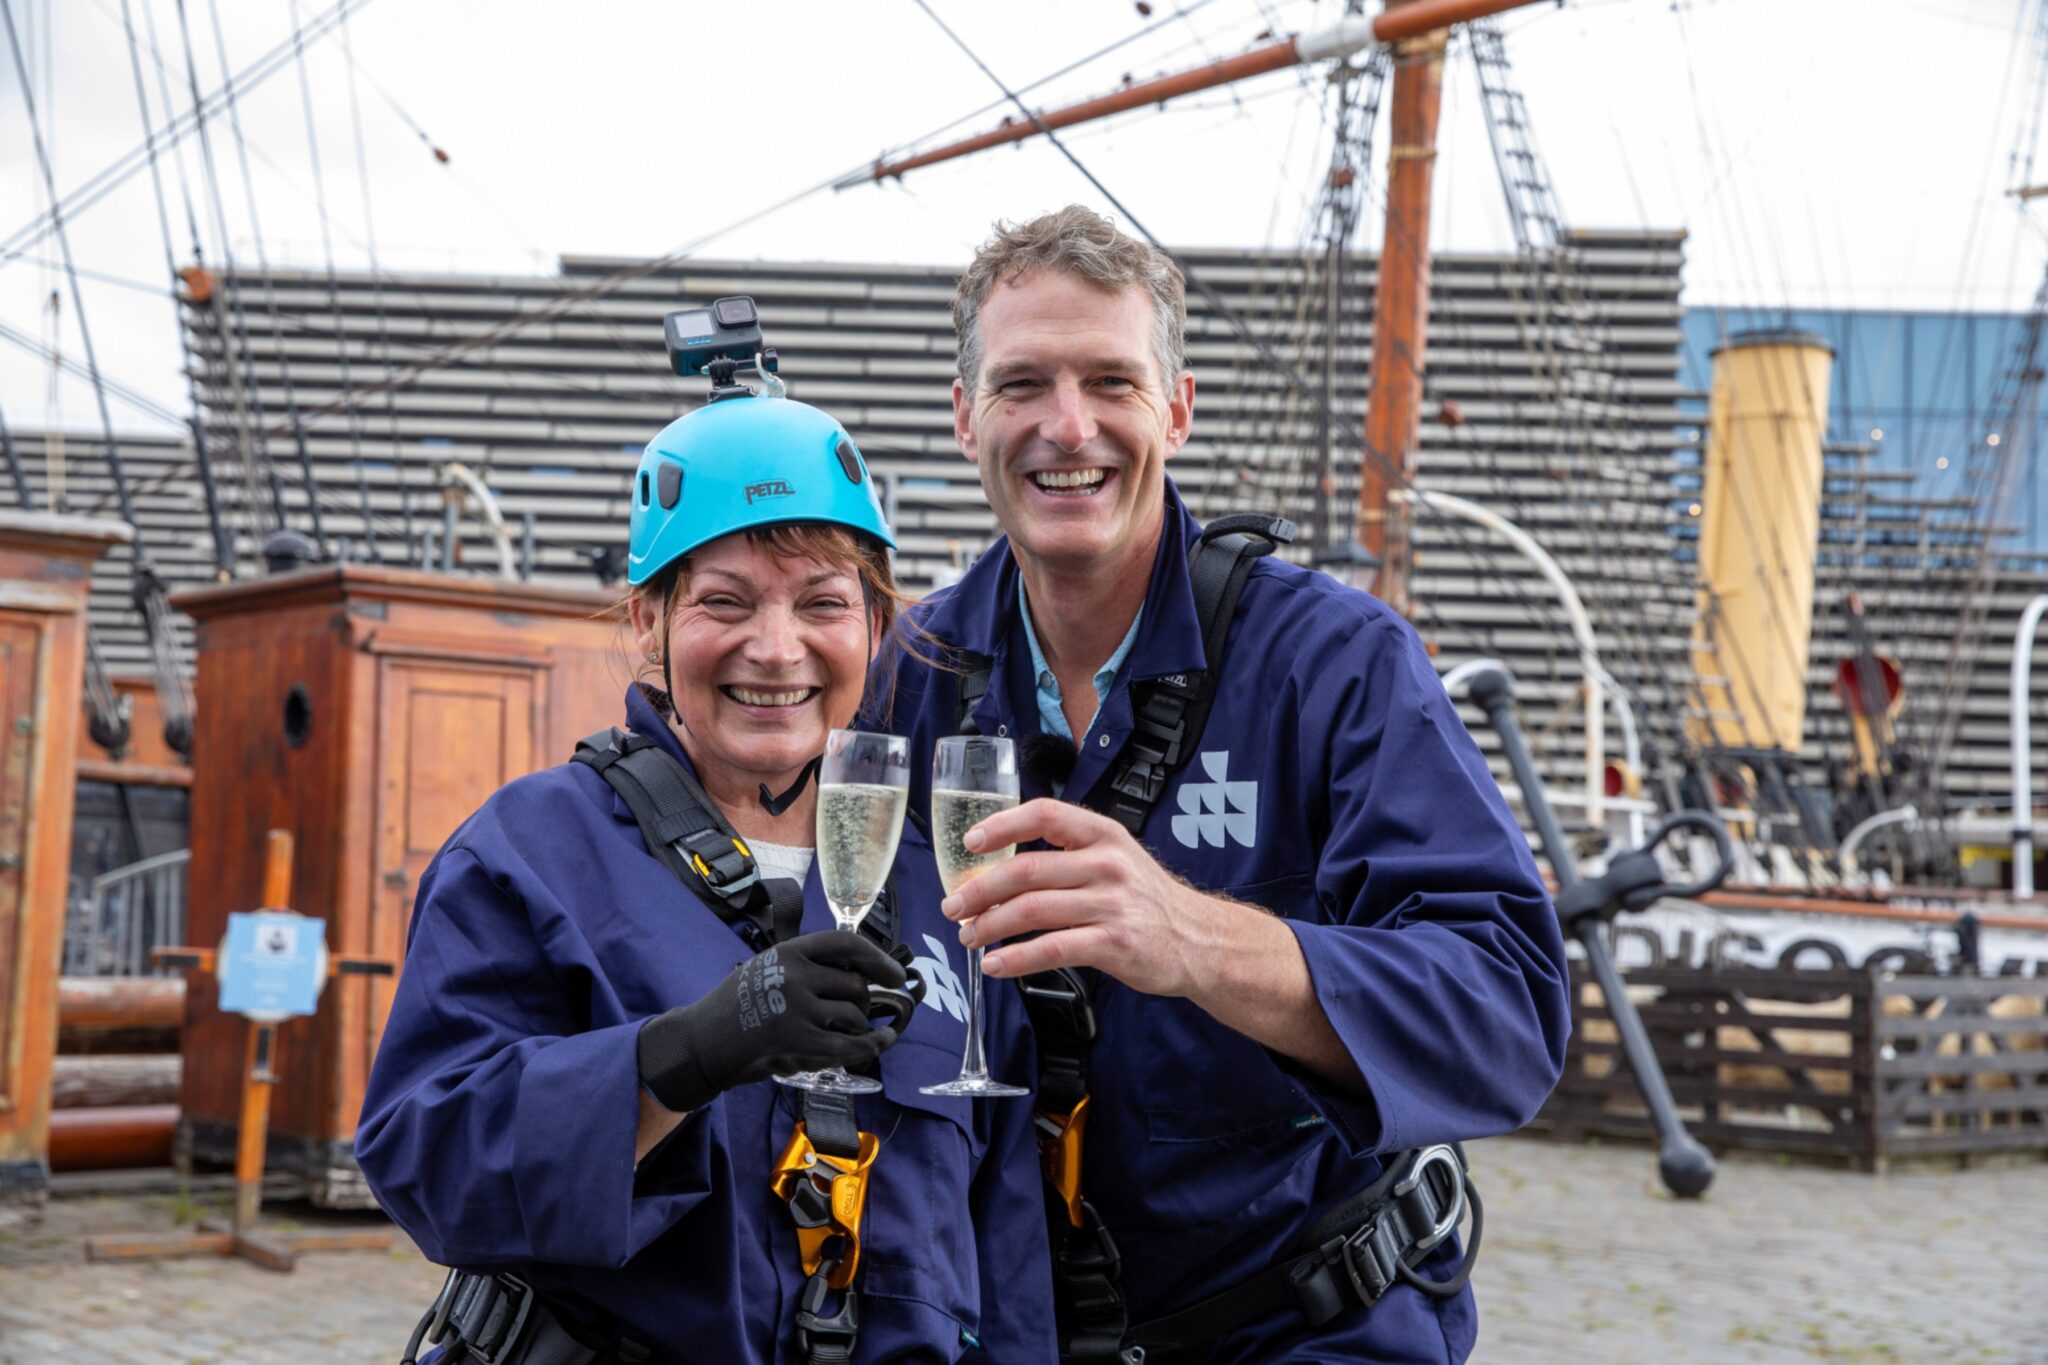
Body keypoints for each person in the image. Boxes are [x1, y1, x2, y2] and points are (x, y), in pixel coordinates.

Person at [872, 206, 1573, 1362]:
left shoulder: (1338, 662)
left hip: (1308, 1325)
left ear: (1176, 409)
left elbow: (1504, 1015)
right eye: (1020, 385)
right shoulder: (908, 673)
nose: (1066, 425)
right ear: (963, 419)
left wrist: (1193, 941)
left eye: (1110, 380)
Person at [357, 382, 1056, 1364]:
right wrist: (681, 1057)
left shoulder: (944, 885)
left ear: (874, 626)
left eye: (822, 603)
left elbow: (1007, 1248)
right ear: (648, 619)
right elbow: (425, 1160)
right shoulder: (533, 852)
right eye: (724, 602)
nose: (776, 650)